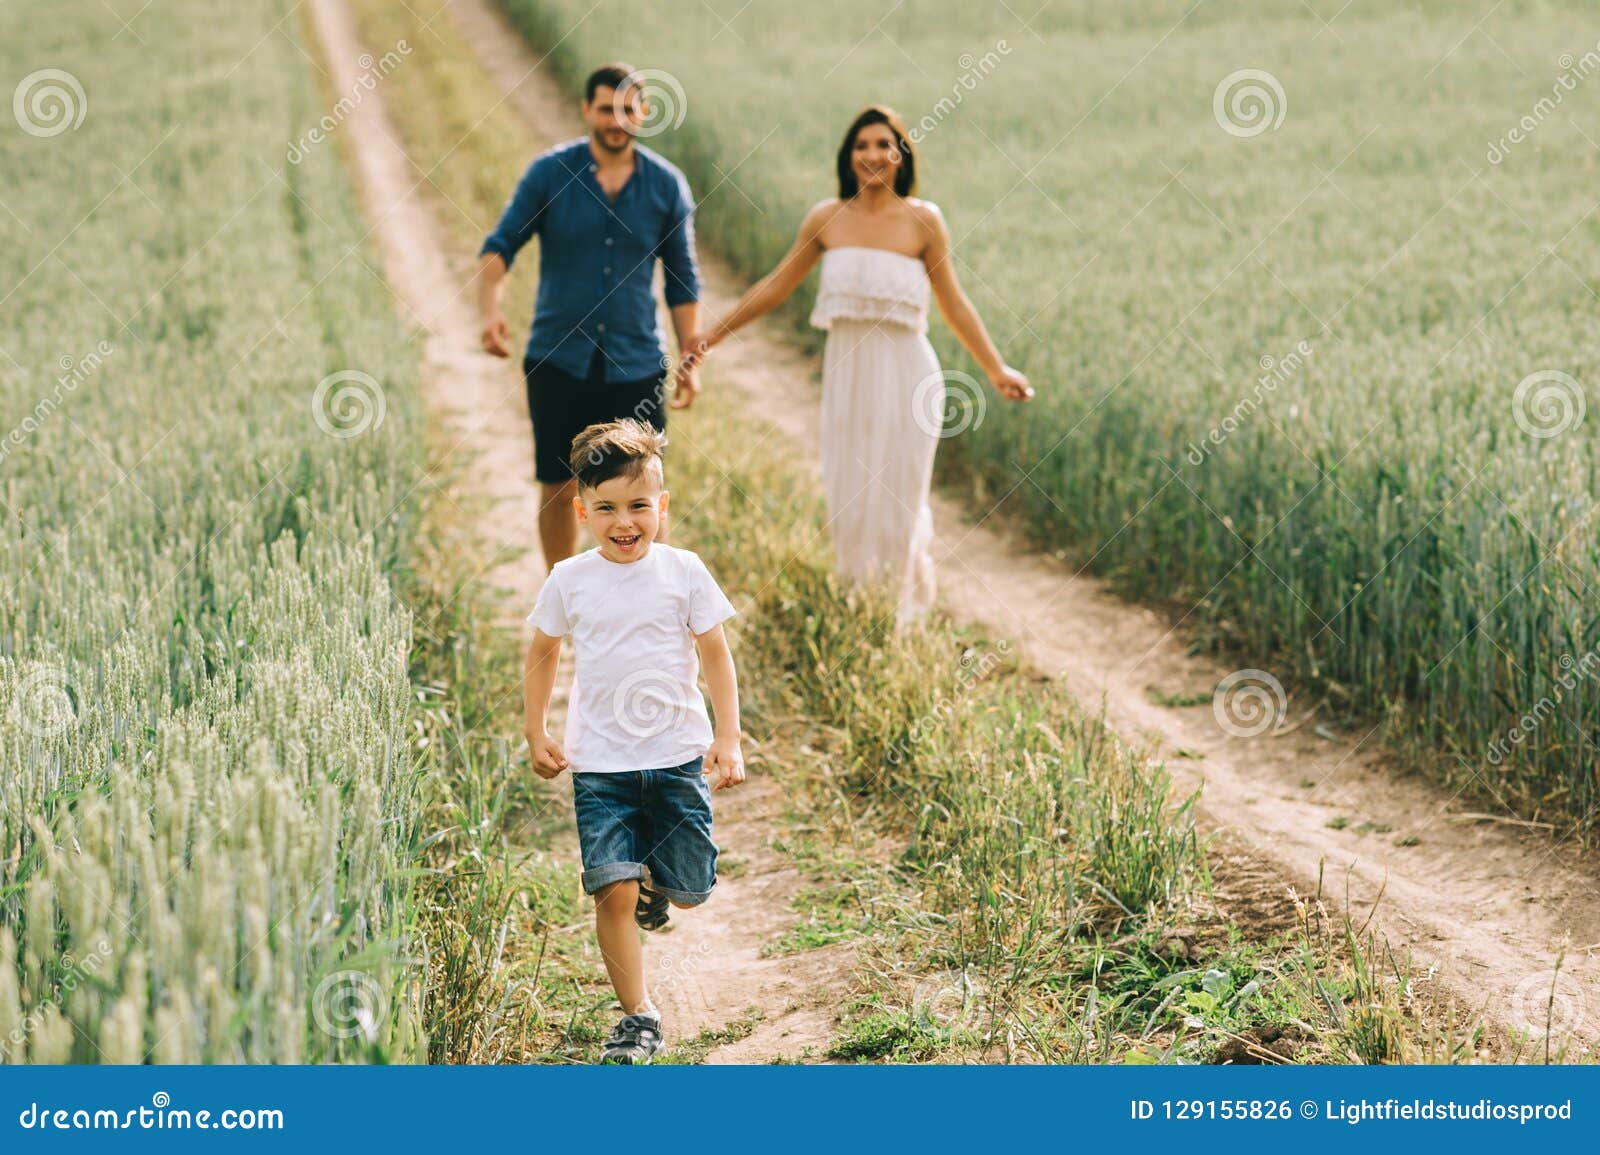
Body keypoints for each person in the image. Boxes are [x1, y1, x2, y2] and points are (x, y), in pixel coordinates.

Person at [680, 105, 1033, 627]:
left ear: (901, 155)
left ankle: (898, 613)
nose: (873, 155)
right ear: (848, 156)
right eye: (862, 145)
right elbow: (775, 286)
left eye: (883, 145)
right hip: (848, 374)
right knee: (850, 490)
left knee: (900, 492)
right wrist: (709, 336)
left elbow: (954, 303)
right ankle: (857, 603)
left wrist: (997, 369)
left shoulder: (924, 220)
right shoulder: (826, 218)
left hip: (909, 376)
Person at [521, 418, 745, 1064]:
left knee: (691, 887)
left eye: (639, 506)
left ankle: (657, 884)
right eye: (607, 508)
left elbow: (716, 654)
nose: (625, 522)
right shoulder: (570, 578)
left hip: (675, 758)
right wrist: (536, 730)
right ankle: (638, 1017)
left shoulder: (684, 571)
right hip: (601, 766)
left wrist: (728, 736)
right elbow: (542, 651)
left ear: (662, 506)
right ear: (581, 510)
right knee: (610, 891)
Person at [478, 62, 703, 568]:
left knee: (642, 493)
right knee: (560, 487)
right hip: (558, 358)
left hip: (637, 363)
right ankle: (561, 593)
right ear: (586, 110)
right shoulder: (550, 173)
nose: (616, 120)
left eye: (627, 109)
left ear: (643, 112)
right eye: (606, 109)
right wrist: (490, 310)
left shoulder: (666, 185)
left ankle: (650, 599)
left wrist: (691, 355)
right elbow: (501, 245)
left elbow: (683, 278)